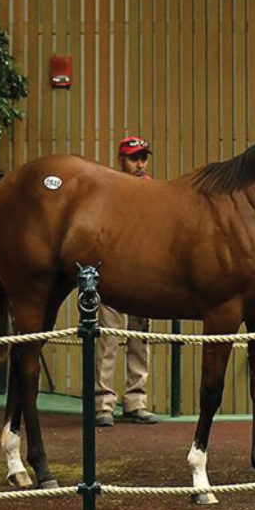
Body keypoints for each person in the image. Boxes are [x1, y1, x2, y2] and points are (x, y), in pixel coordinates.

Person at [94, 135, 160, 427]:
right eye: (134, 157)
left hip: (146, 273)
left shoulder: (153, 189)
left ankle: (135, 402)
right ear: (121, 160)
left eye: (143, 157)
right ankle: (103, 404)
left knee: (140, 337)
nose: (140, 163)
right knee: (107, 337)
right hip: (113, 272)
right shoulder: (108, 189)